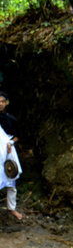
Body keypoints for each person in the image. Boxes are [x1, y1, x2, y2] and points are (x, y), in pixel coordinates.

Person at [0, 91, 22, 221]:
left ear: (6, 103)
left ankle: (11, 208)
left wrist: (11, 142)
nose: (0, 104)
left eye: (2, 101)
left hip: (8, 151)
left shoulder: (11, 119)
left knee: (11, 176)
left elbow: (18, 136)